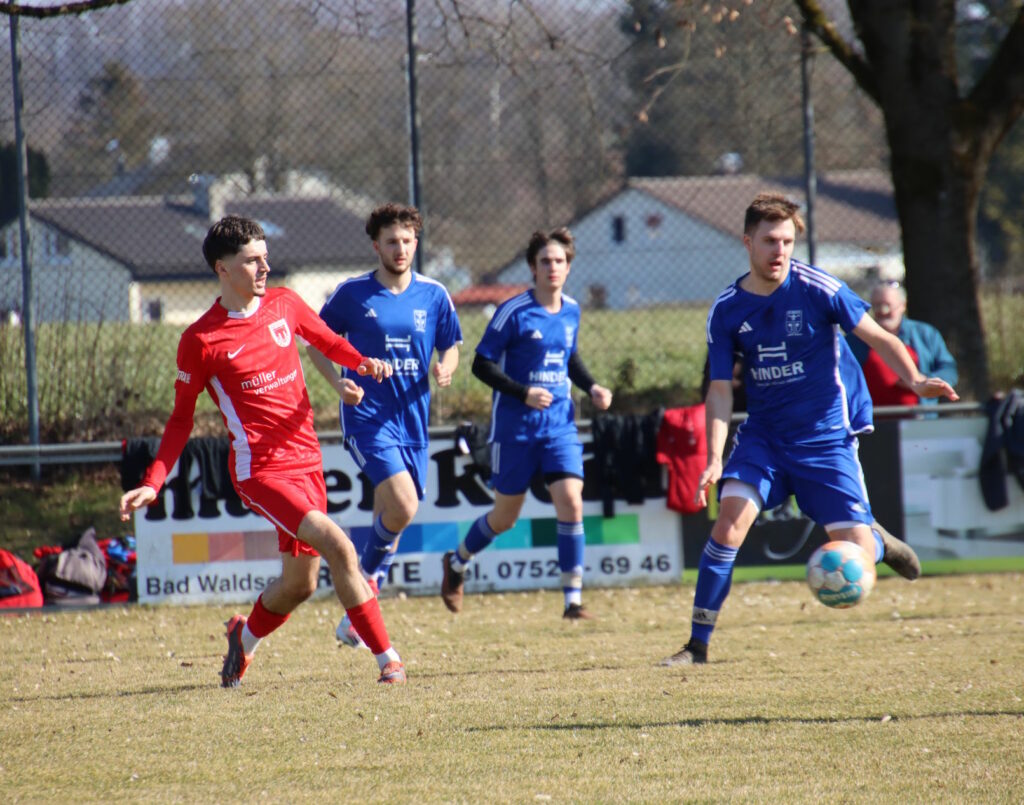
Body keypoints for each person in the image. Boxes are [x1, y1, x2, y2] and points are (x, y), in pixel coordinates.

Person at [660, 193, 958, 666]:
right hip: (765, 439)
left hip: (824, 439)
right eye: (769, 241)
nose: (779, 251)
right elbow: (719, 391)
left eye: (787, 241)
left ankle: (878, 541)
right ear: (747, 242)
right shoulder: (727, 309)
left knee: (857, 552)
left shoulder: (818, 288)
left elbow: (880, 337)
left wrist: (915, 380)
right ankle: (697, 646)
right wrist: (715, 458)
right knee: (728, 525)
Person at [118, 215, 407, 686]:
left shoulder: (284, 305)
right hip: (261, 471)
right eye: (252, 261)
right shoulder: (201, 340)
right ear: (222, 268)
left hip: (308, 460)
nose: (264, 267)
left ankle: (243, 640)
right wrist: (152, 483)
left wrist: (362, 364)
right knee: (340, 546)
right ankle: (388, 659)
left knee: (300, 584)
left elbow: (326, 340)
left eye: (266, 258)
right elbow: (180, 421)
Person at [307, 203, 462, 647]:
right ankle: (369, 581)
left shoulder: (434, 294)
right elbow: (316, 343)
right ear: (376, 245)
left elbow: (450, 344)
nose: (400, 248)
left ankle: (356, 616)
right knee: (403, 506)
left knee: (390, 513)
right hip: (367, 417)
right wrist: (339, 384)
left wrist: (445, 368)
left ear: (417, 243)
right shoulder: (352, 294)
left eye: (407, 240)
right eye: (391, 241)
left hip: (413, 419)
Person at [439, 227, 613, 619]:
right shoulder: (513, 311)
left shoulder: (571, 309)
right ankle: (456, 561)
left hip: (559, 427)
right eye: (545, 261)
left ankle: (573, 601)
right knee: (504, 517)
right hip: (515, 429)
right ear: (532, 268)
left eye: (559, 261)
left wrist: (593, 386)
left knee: (570, 501)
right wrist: (523, 393)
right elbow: (481, 364)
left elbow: (570, 359)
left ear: (569, 267)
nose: (552, 267)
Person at [847, 280, 958, 407]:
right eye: (877, 306)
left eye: (887, 305)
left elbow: (948, 369)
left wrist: (922, 380)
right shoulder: (855, 339)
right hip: (873, 419)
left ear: (902, 305)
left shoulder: (925, 334)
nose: (883, 311)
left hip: (919, 418)